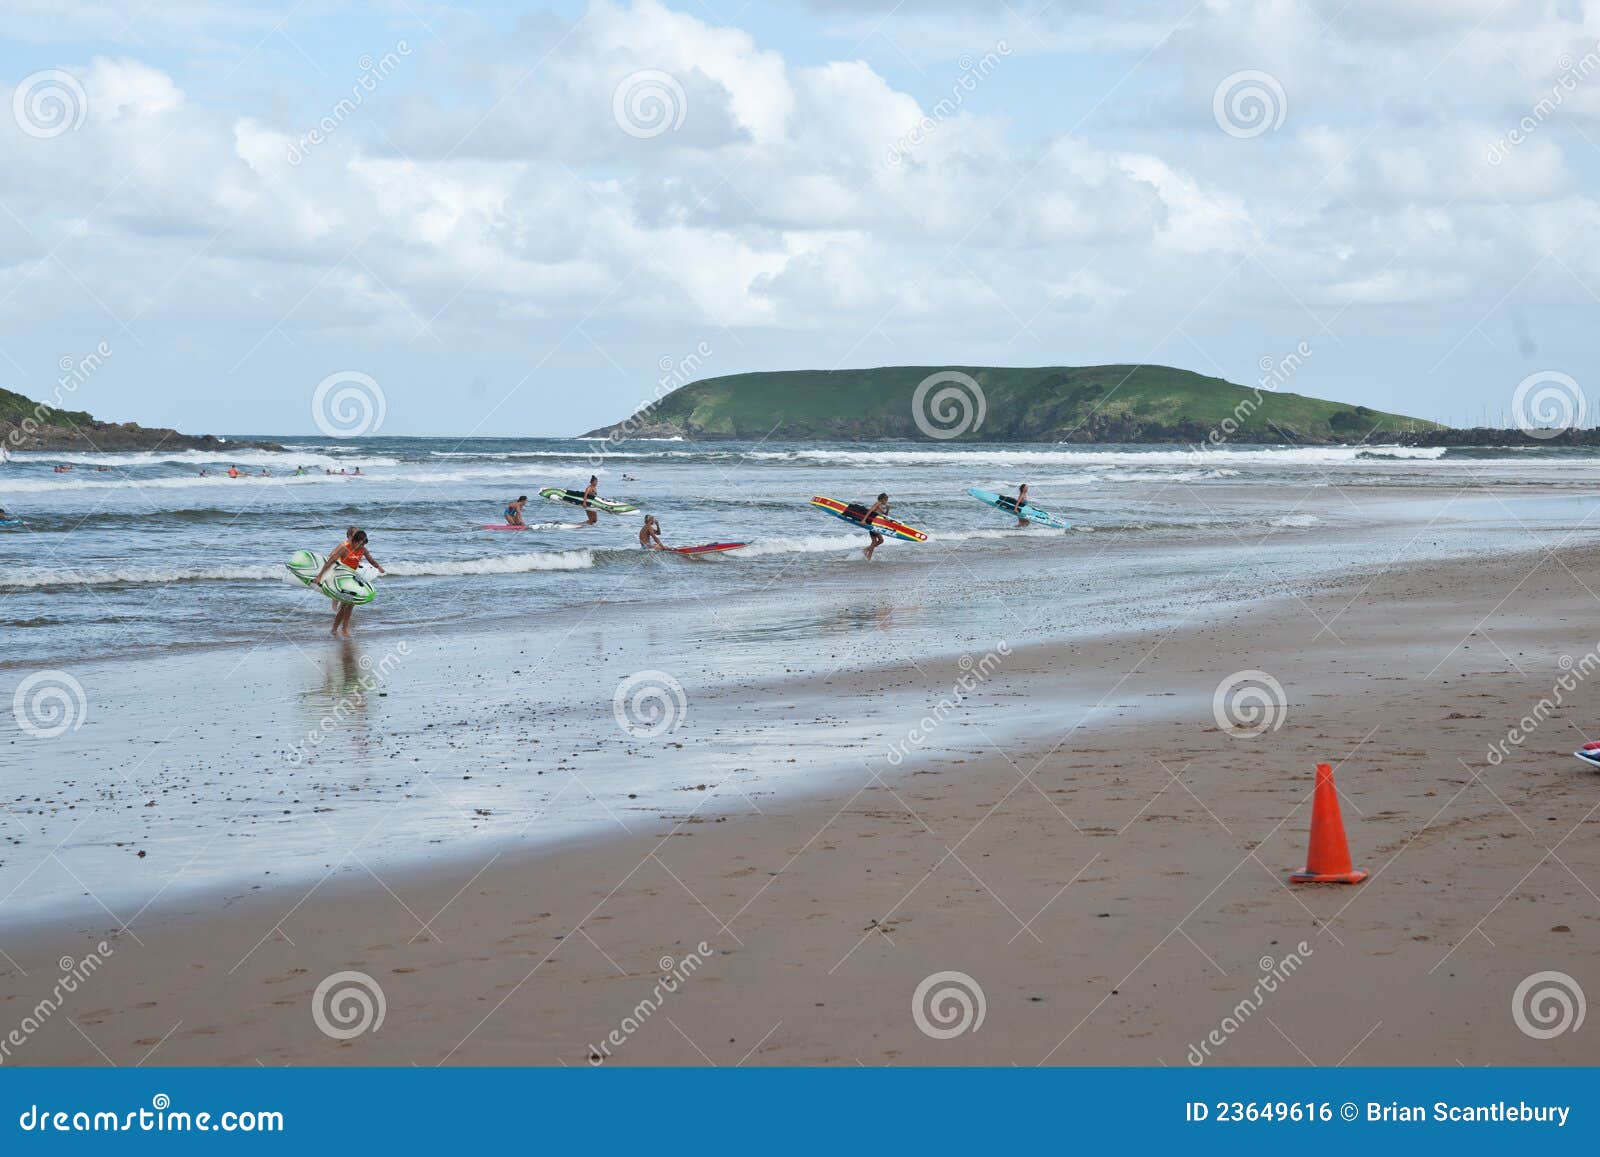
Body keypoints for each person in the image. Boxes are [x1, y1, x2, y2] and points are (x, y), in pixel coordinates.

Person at [312, 528, 385, 637]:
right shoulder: (344, 548)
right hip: (341, 577)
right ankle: (338, 628)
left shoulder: (363, 549)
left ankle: (341, 628)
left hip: (351, 577)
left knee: (350, 604)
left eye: (363, 544)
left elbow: (370, 559)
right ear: (354, 541)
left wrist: (378, 567)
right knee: (346, 604)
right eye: (360, 544)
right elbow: (330, 561)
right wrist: (319, 576)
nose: (362, 547)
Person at [862, 492, 890, 561]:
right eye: (886, 500)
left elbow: (885, 516)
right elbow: (869, 511)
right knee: (880, 540)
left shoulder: (880, 505)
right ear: (883, 499)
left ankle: (868, 556)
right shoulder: (877, 504)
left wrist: (888, 509)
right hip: (873, 525)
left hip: (876, 525)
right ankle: (866, 550)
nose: (887, 501)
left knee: (876, 541)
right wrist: (863, 520)